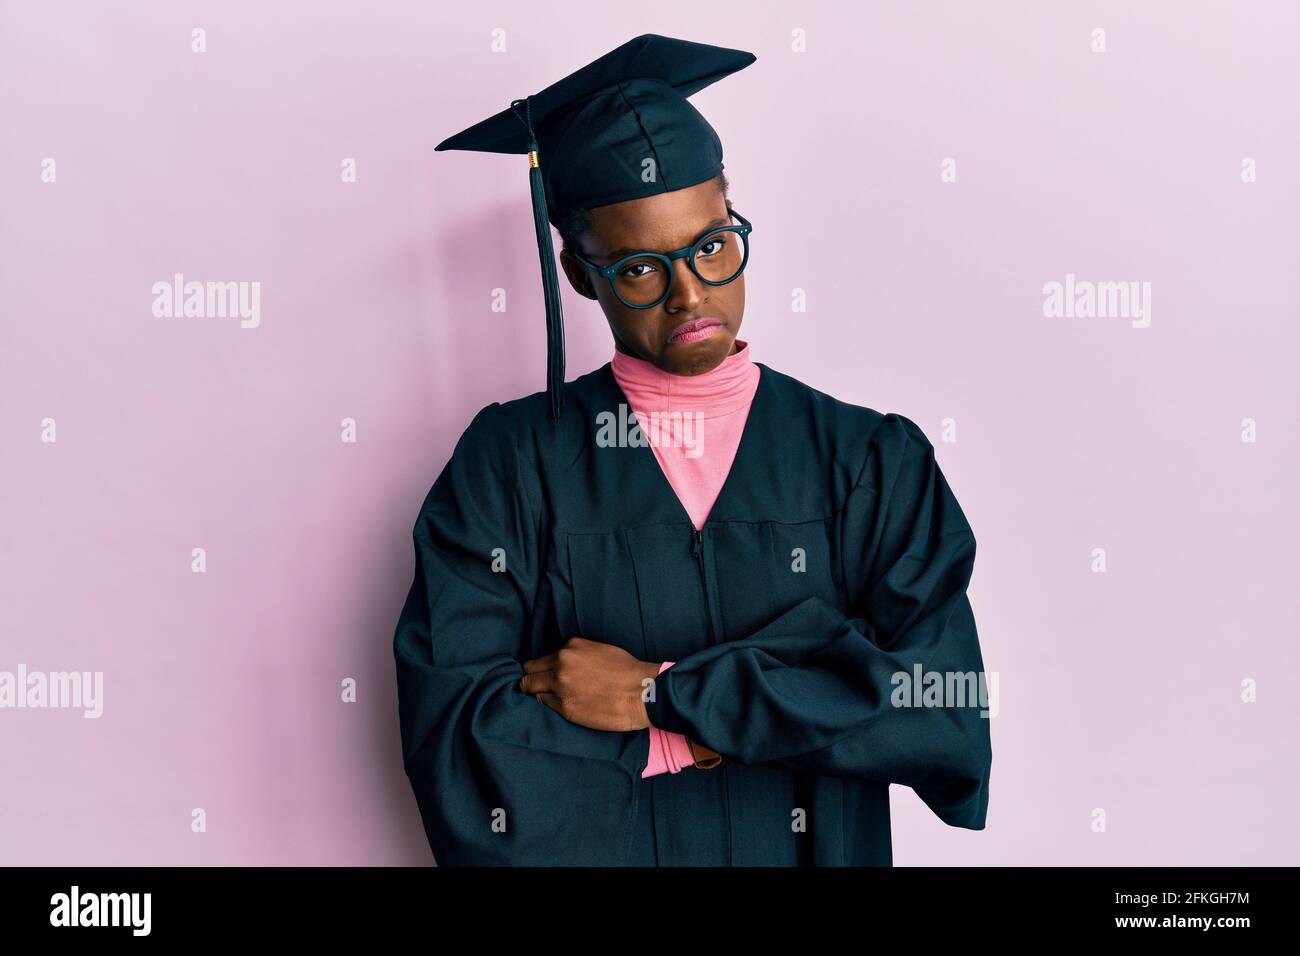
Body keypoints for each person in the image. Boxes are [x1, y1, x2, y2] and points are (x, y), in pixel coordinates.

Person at [393, 33, 992, 866]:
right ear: (578, 272)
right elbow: (459, 726)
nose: (689, 293)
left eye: (712, 247)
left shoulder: (868, 461)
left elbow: (936, 708)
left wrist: (661, 696)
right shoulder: (510, 465)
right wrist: (744, 714)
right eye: (640, 267)